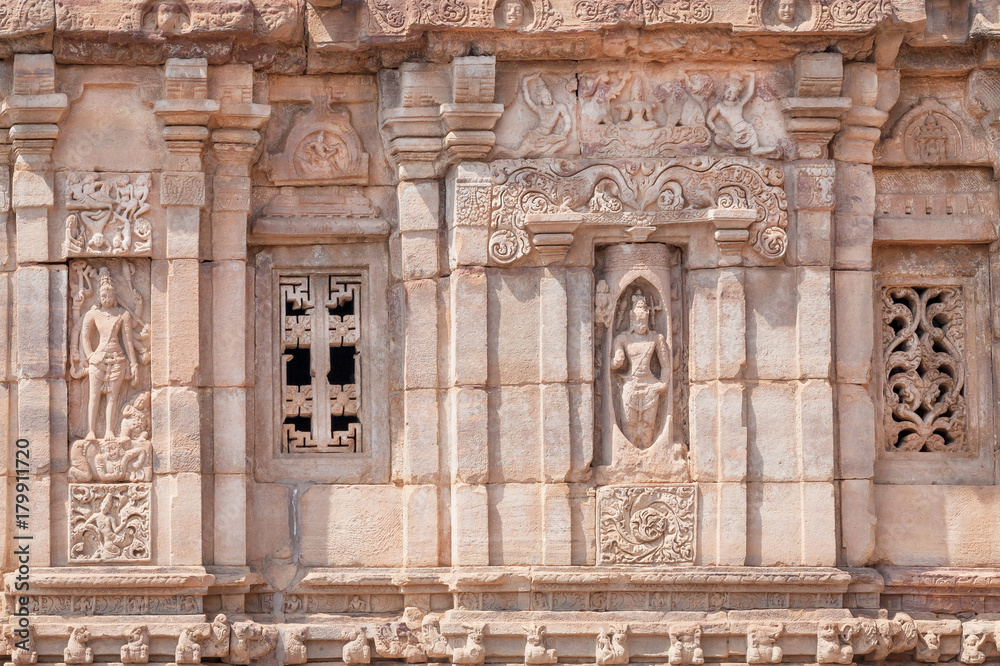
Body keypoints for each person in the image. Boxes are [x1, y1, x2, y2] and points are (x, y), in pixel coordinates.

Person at [79, 269, 139, 441]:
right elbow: (85, 336)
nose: (107, 299)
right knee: (94, 395)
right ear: (99, 296)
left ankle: (109, 431)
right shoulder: (92, 314)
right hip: (98, 359)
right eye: (104, 296)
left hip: (118, 359)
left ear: (114, 296)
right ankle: (91, 431)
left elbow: (128, 342)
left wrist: (134, 364)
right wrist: (90, 356)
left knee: (112, 397)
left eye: (110, 296)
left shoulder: (123, 314)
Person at [611, 292, 671, 448]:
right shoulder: (622, 339)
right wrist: (615, 362)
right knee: (629, 427)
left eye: (643, 320)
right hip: (630, 385)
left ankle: (648, 457)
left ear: (648, 317)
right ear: (631, 317)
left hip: (650, 386)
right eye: (638, 320)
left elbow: (665, 365)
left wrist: (663, 384)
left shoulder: (657, 339)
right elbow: (615, 361)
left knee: (648, 430)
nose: (641, 324)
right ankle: (629, 456)